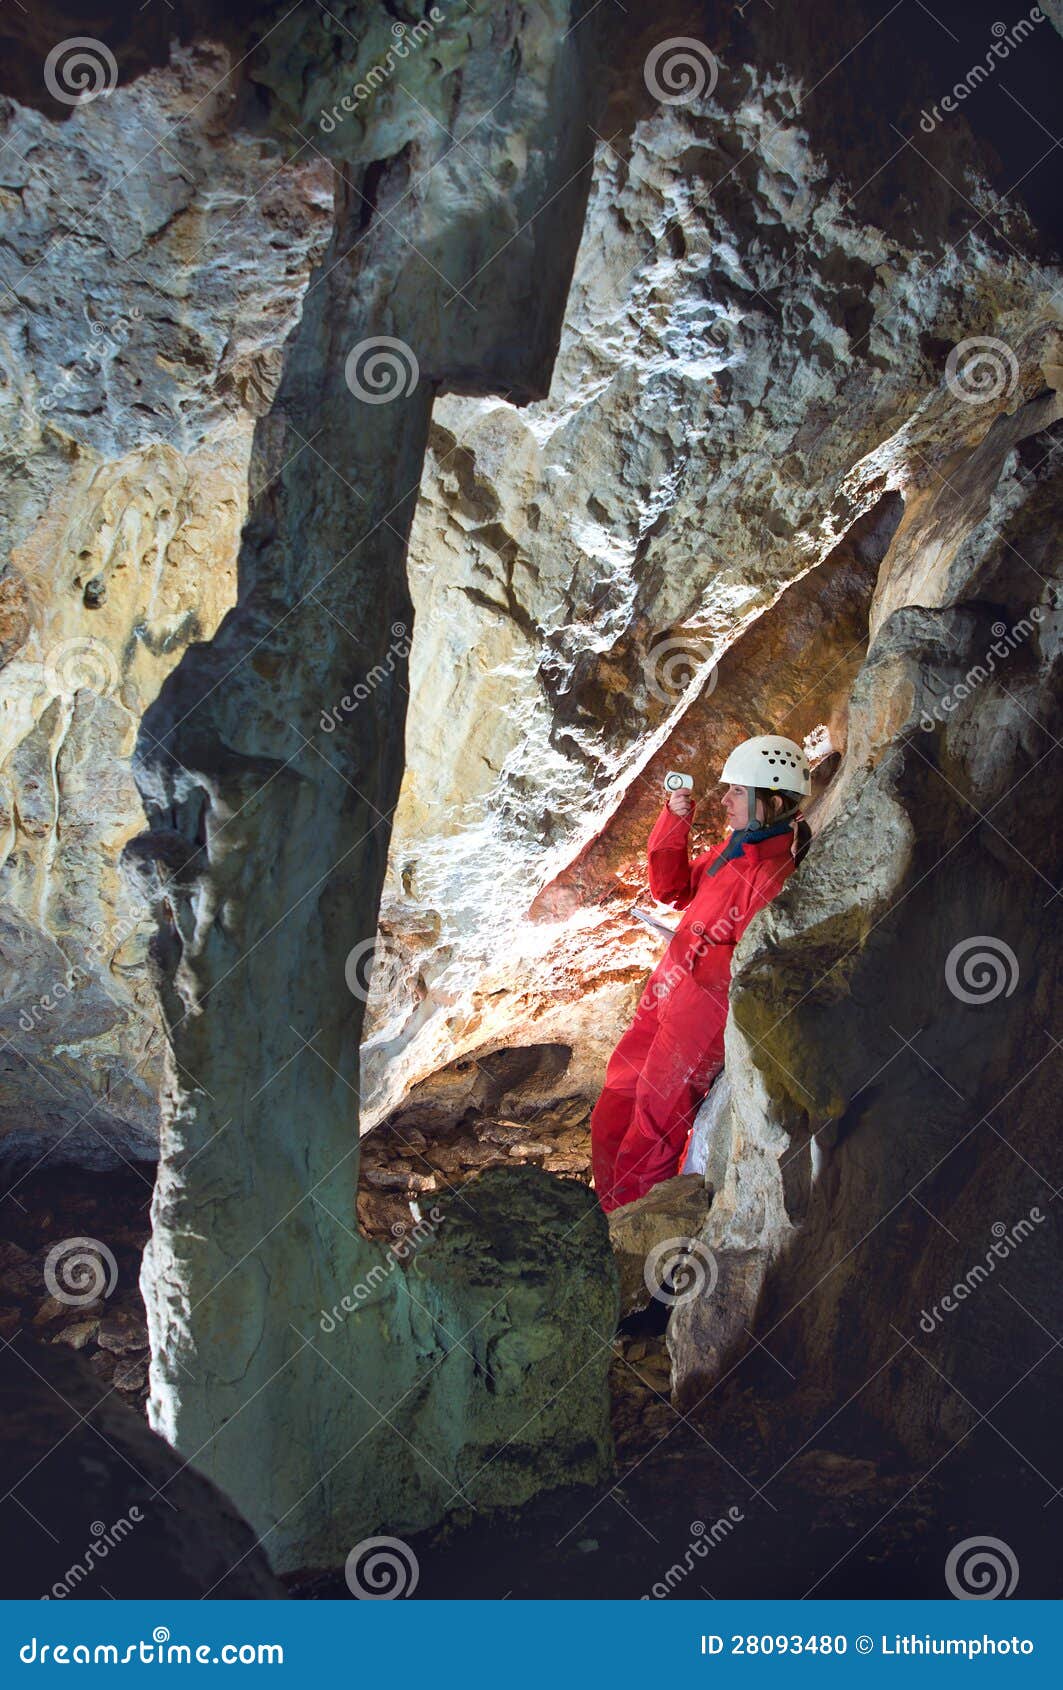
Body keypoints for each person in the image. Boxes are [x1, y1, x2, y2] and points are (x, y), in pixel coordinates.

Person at [590, 734, 812, 1214]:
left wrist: (700, 959)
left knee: (654, 1121)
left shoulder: (773, 876)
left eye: (737, 791)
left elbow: (748, 969)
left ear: (769, 803)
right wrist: (674, 816)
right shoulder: (732, 850)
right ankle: (605, 1205)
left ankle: (628, 1228)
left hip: (702, 1011)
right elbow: (670, 890)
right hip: (670, 988)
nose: (726, 799)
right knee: (617, 1095)